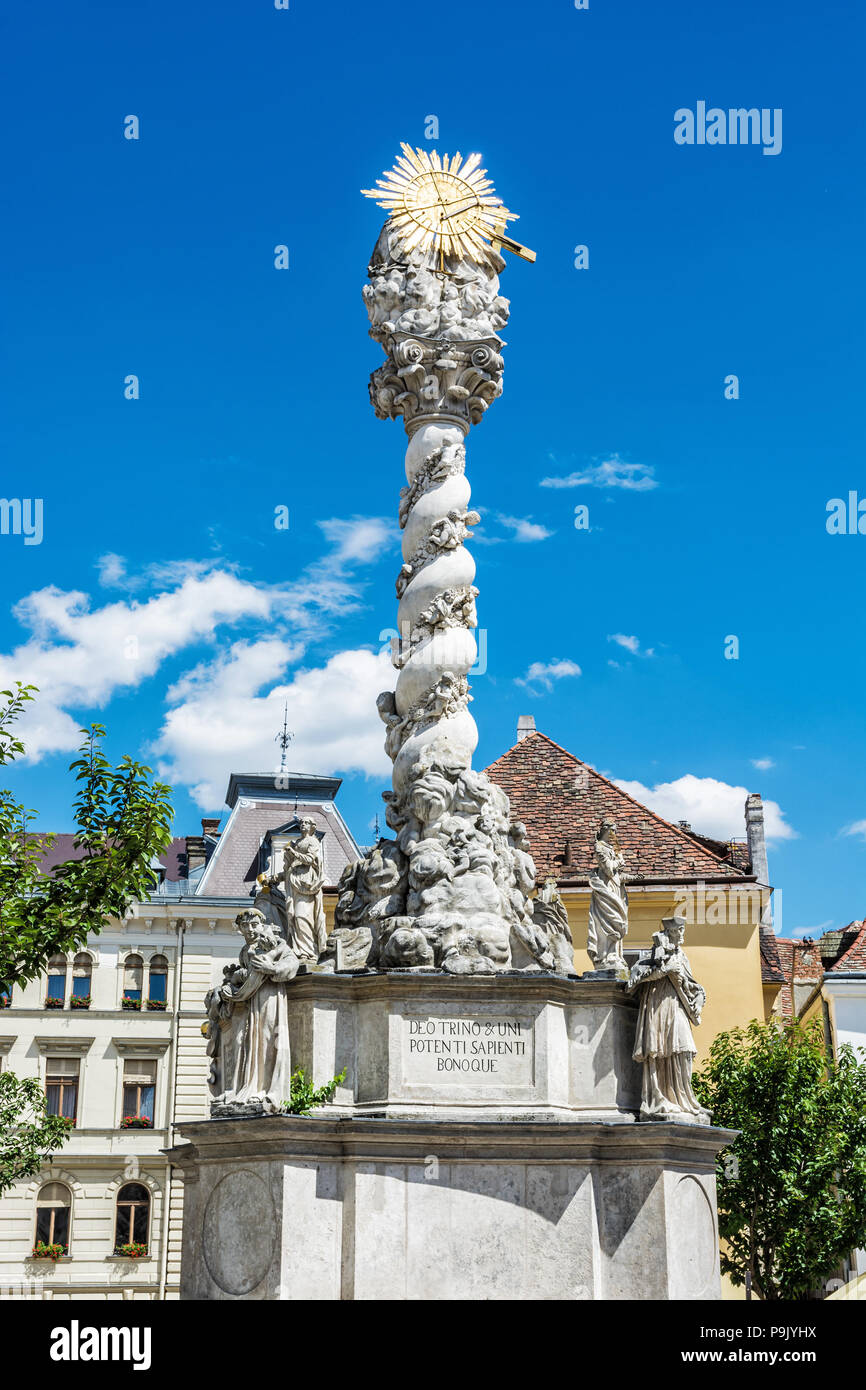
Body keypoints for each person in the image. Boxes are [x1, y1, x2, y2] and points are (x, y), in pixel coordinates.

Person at [627, 916, 709, 1122]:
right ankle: (659, 1097)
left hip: (678, 1006)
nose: (682, 934)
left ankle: (685, 1099)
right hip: (658, 1006)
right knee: (659, 1050)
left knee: (684, 1049)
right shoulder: (654, 954)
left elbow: (695, 987)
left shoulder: (682, 956)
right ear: (669, 932)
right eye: (678, 930)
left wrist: (698, 1002)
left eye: (683, 930)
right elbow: (634, 980)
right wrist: (663, 970)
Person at [283, 818, 328, 962]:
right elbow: (289, 869)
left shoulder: (313, 841)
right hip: (295, 884)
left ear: (312, 827)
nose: (303, 824)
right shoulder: (297, 844)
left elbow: (309, 859)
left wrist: (293, 852)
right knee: (295, 918)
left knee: (303, 916)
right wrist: (273, 879)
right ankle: (299, 951)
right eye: (301, 822)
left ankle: (308, 952)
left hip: (307, 883)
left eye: (306, 823)